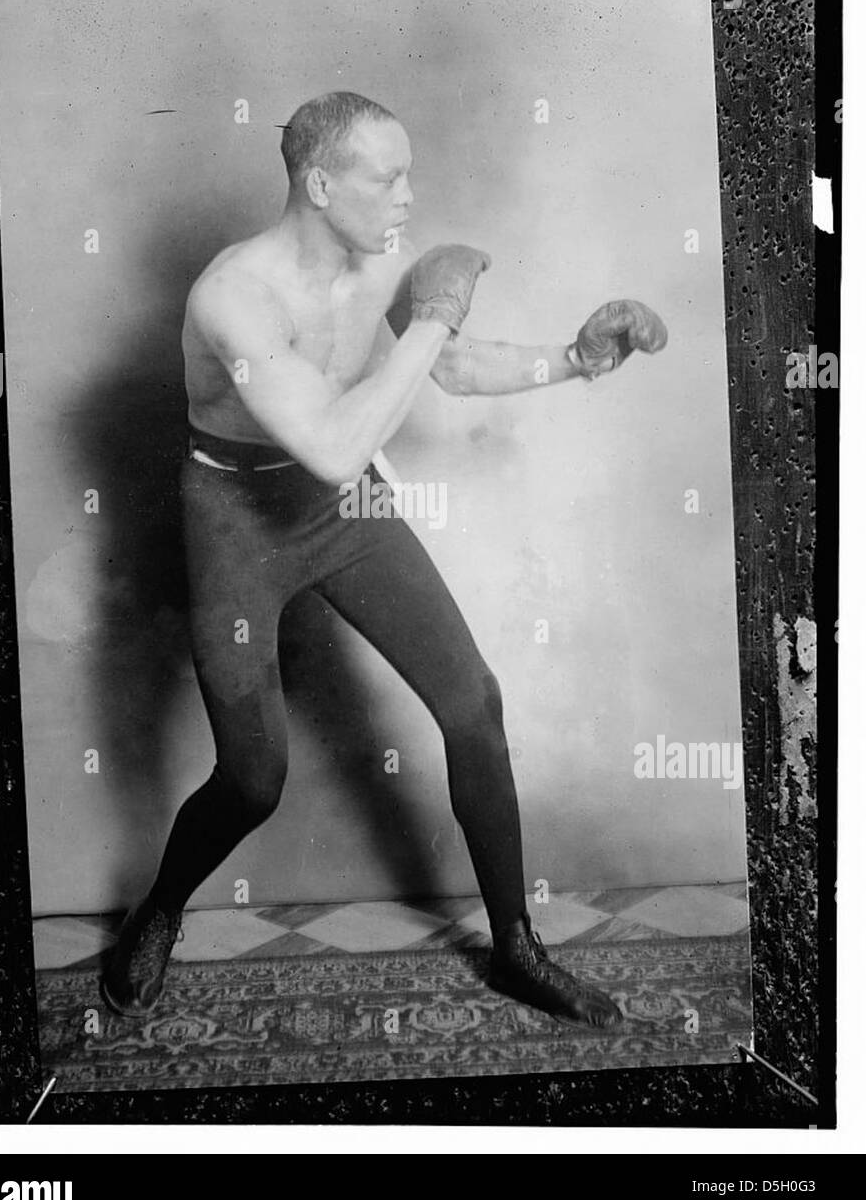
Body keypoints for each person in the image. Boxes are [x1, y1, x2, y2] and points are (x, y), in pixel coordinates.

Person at [101, 91, 667, 1027]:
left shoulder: (379, 264)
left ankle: (518, 944)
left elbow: (448, 365)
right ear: (320, 183)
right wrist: (434, 317)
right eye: (386, 176)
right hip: (236, 516)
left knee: (473, 703)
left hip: (342, 509)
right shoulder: (230, 295)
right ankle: (159, 910)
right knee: (254, 780)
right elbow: (330, 439)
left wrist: (574, 357)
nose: (409, 195)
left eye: (409, 173)